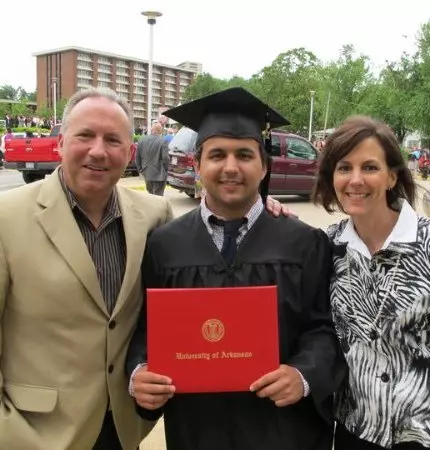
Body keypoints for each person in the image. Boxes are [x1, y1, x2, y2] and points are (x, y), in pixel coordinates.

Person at [126, 87, 345, 450]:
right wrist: (138, 373)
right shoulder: (164, 245)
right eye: (217, 155)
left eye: (244, 154)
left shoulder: (304, 243)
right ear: (198, 165)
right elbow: (144, 329)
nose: (231, 167)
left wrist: (304, 374)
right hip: (197, 430)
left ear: (264, 166)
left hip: (284, 431)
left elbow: (325, 328)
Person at [0, 87, 174, 450]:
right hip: (34, 433)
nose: (98, 150)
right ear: (61, 143)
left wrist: (264, 213)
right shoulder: (6, 218)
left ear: (129, 153)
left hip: (122, 429)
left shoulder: (155, 216)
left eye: (113, 139)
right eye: (85, 135)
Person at [313, 115, 430, 450]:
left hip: (428, 433)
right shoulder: (327, 248)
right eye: (344, 167)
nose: (355, 179)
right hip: (355, 431)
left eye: (370, 167)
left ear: (391, 176)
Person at [135, 122, 169, 196]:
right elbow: (165, 158)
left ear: (151, 129)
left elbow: (137, 157)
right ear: (160, 131)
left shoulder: (141, 140)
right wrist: (166, 169)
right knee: (158, 197)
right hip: (159, 174)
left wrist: (141, 170)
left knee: (150, 195)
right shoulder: (163, 141)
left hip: (147, 173)